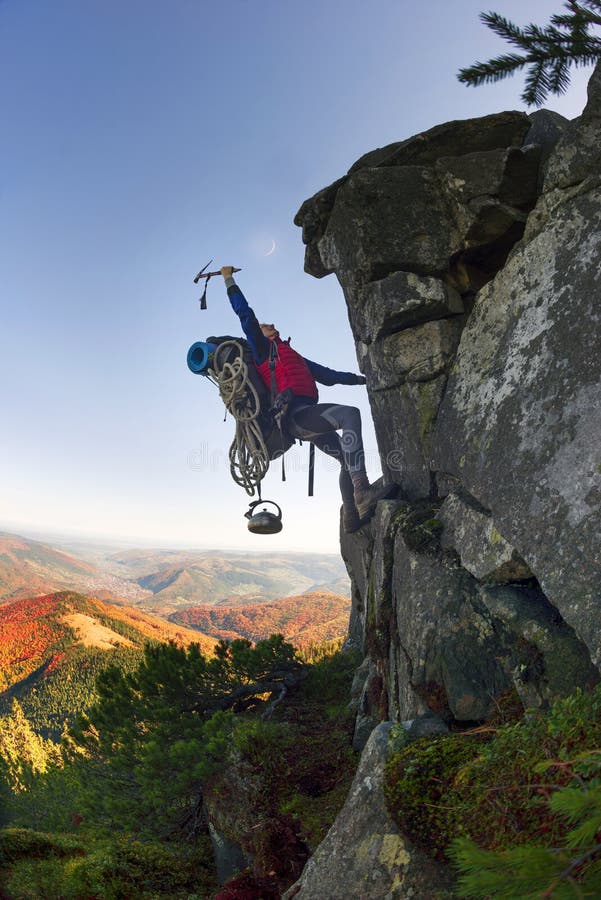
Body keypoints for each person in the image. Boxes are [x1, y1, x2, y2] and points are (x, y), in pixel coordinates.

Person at [220, 266, 395, 532]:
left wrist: (363, 379)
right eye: (264, 326)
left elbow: (329, 375)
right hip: (294, 417)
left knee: (345, 459)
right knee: (350, 414)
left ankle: (351, 517)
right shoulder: (261, 351)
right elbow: (246, 315)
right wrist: (228, 279)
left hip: (308, 417)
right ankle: (362, 490)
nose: (269, 325)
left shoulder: (294, 356)